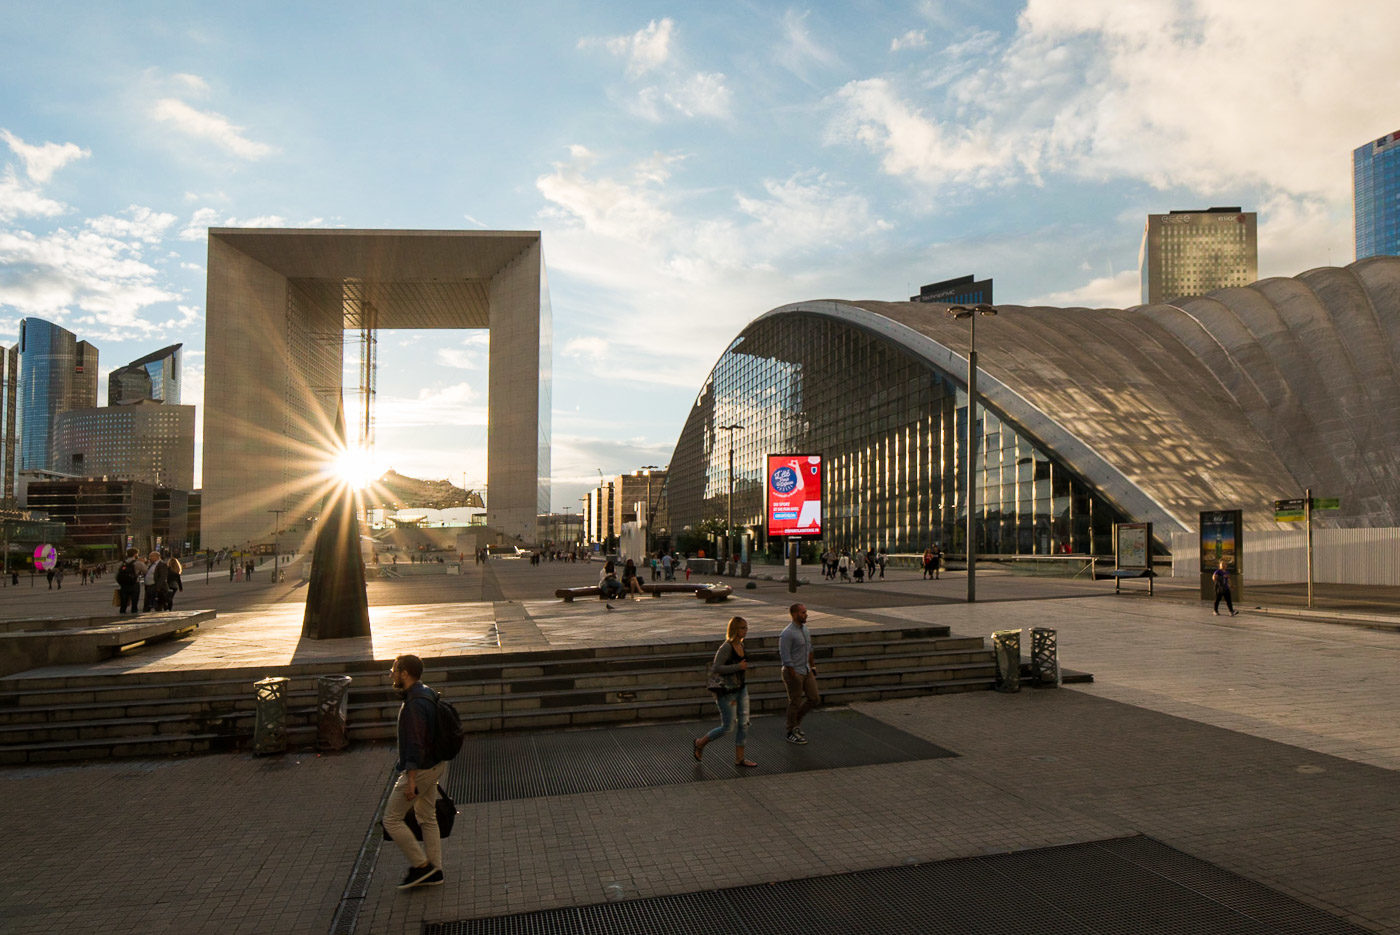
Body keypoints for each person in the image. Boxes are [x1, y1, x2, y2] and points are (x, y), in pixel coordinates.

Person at [381, 654, 448, 890]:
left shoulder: (414, 705)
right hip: (436, 764)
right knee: (427, 816)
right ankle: (436, 870)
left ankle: (422, 866)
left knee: (391, 819)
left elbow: (415, 744)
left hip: (420, 769)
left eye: (394, 669)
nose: (391, 674)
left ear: (405, 673)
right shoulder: (426, 692)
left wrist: (410, 780)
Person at [693, 616, 757, 768]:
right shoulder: (726, 647)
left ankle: (740, 759)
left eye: (746, 627)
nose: (745, 630)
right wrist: (738, 667)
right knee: (728, 727)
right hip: (726, 691)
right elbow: (716, 668)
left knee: (744, 723)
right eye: (742, 628)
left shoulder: (741, 644)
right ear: (734, 629)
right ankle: (700, 743)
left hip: (741, 688)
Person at [779, 603, 820, 744]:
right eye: (803, 612)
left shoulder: (805, 630)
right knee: (795, 701)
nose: (806, 614)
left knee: (814, 698)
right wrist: (793, 674)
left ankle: (796, 722)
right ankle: (791, 731)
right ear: (795, 614)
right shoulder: (787, 633)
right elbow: (785, 656)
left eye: (806, 612)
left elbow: (810, 649)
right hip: (794, 671)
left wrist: (813, 666)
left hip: (806, 670)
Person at [116, 548, 144, 614]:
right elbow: (146, 571)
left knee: (123, 603)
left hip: (124, 586)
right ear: (135, 554)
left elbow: (116, 575)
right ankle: (133, 614)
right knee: (134, 603)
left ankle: (121, 615)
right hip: (134, 585)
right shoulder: (138, 563)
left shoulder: (121, 563)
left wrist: (121, 582)